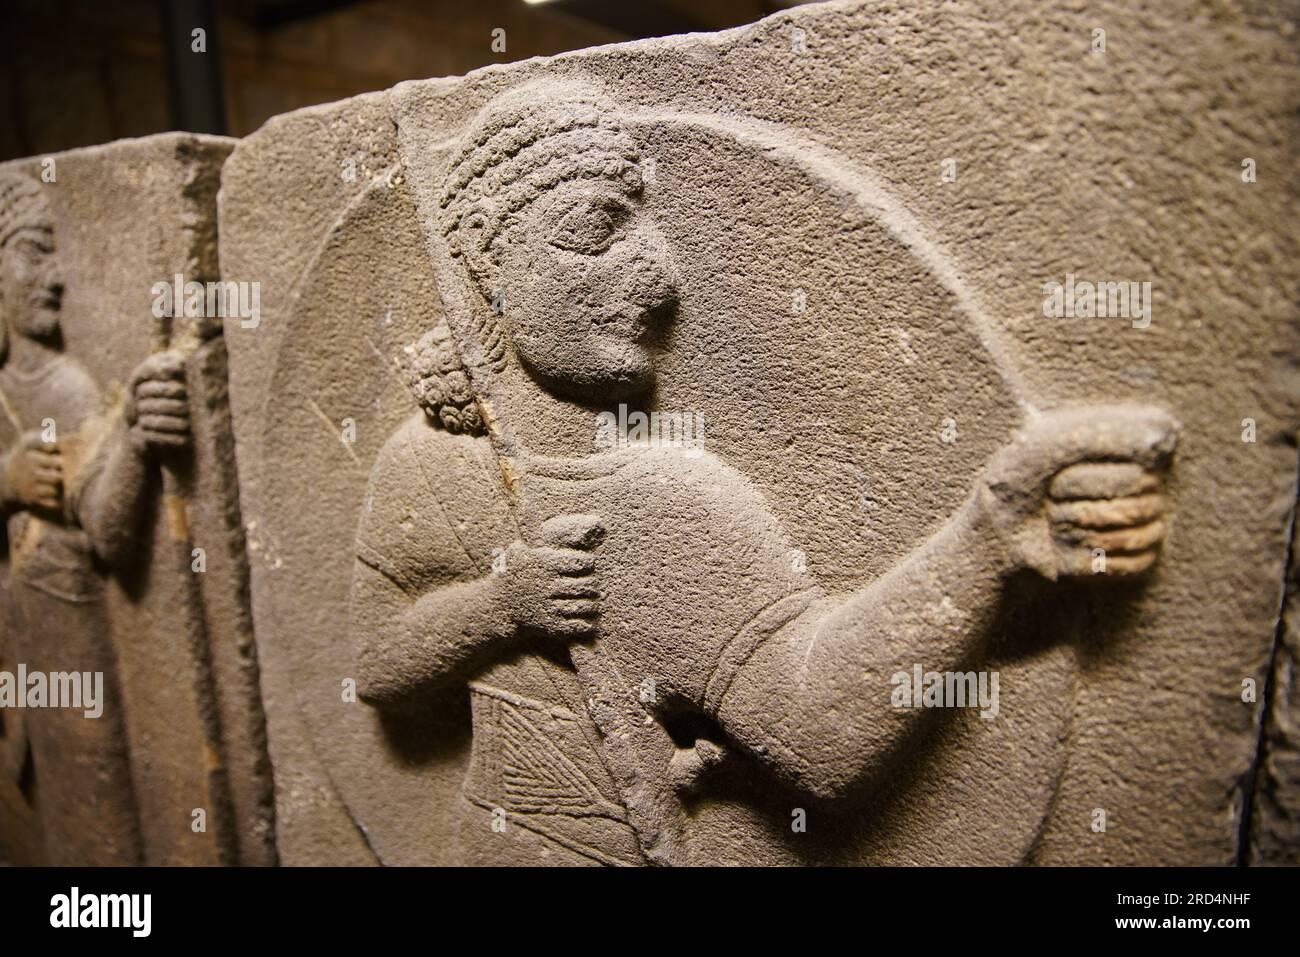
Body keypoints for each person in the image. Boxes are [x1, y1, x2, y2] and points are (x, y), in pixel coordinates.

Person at [352, 81, 1176, 865]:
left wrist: (985, 541)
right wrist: (500, 606)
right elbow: (379, 665)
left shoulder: (673, 503)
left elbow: (815, 728)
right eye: (596, 232)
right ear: (485, 259)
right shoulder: (426, 464)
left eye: (647, 233)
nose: (658, 278)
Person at [0, 171, 191, 864]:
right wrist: (7, 480)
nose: (55, 276)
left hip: (67, 635)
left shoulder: (66, 388)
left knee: (95, 824)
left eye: (56, 253)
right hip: (17, 647)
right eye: (32, 252)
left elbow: (109, 531)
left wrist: (136, 439)